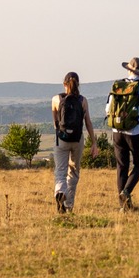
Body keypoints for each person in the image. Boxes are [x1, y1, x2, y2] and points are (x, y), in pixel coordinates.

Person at [106, 55, 139, 210]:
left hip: (117, 131)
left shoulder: (117, 85)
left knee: (122, 166)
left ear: (129, 69)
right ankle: (126, 191)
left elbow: (108, 109)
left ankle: (123, 206)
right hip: (136, 132)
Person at [50, 71, 91, 214]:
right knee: (73, 172)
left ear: (64, 84)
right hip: (78, 140)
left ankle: (60, 191)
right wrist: (94, 143)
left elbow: (55, 123)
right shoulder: (82, 100)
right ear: (78, 84)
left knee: (60, 171)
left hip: (61, 139)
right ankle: (69, 204)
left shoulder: (56, 99)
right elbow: (88, 122)